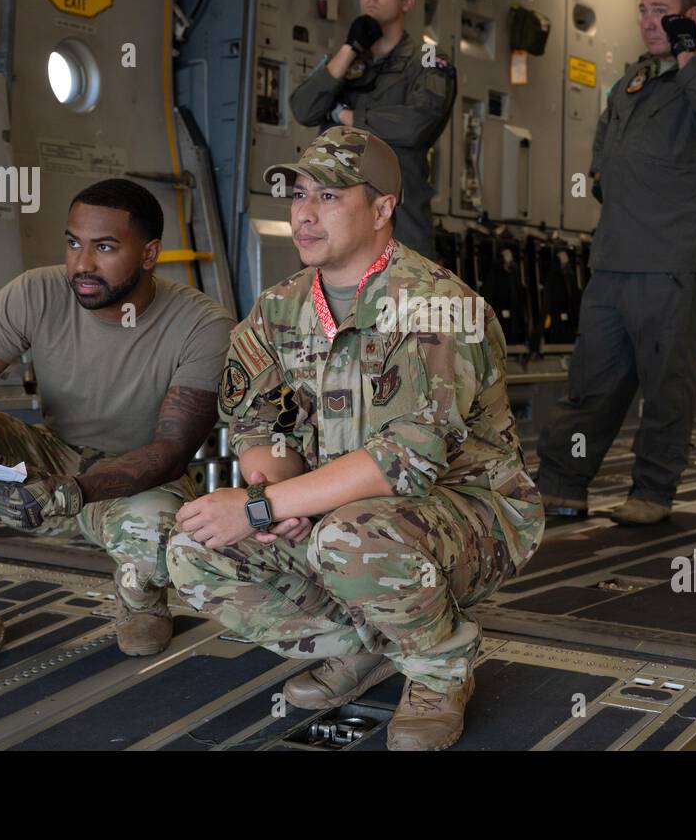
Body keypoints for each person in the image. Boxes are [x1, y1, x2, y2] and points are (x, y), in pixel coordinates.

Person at [167, 127, 543, 750]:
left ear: (383, 208)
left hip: (471, 514)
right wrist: (276, 491)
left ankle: (440, 668)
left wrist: (267, 507)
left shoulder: (437, 308)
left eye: (331, 197)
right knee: (192, 545)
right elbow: (259, 423)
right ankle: (365, 647)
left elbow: (407, 459)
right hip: (337, 510)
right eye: (299, 195)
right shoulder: (277, 311)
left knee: (347, 537)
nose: (305, 214)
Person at [0, 178, 234, 692]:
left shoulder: (203, 325)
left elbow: (171, 450)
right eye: (73, 243)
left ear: (150, 253)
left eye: (105, 247)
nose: (82, 264)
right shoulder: (37, 292)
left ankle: (140, 599)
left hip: (136, 478)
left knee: (163, 532)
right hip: (47, 456)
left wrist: (73, 493)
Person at [537, 0, 696, 526]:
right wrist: (606, 175)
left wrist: (688, 53)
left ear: (691, 17)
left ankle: (652, 492)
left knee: (666, 386)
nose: (648, 21)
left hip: (673, 262)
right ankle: (563, 483)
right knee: (591, 381)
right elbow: (603, 152)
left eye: (662, 11)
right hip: (614, 260)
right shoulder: (628, 82)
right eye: (643, 9)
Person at [289, 0, 455, 259]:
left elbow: (416, 124)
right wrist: (350, 48)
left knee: (403, 304)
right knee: (325, 305)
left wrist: (348, 117)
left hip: (398, 221)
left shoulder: (427, 60)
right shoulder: (348, 59)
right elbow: (303, 109)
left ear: (407, 2)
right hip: (337, 224)